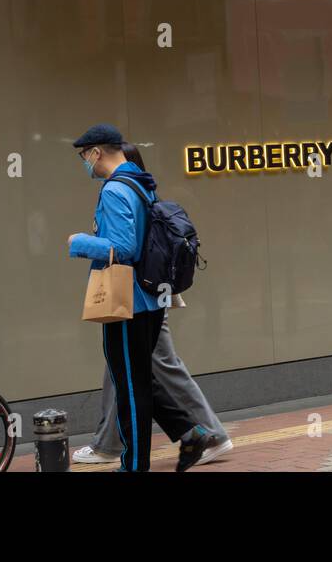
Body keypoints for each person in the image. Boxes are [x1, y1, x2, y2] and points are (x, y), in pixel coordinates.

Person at [73, 142, 232, 466]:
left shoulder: (116, 190)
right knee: (136, 379)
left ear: (97, 152)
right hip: (148, 297)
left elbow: (125, 248)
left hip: (128, 300)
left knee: (134, 385)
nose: (85, 163)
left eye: (84, 155)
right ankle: (191, 433)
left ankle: (136, 462)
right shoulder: (143, 186)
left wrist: (81, 243)